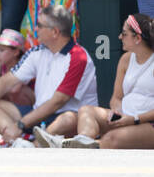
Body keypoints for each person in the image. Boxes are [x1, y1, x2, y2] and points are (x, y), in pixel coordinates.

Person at [0, 4, 97, 146]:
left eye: (40, 25)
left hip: (65, 117)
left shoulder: (78, 57)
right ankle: (20, 142)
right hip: (39, 115)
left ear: (55, 32)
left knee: (68, 119)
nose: (35, 29)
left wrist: (19, 125)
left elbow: (57, 102)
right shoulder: (36, 51)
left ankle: (31, 145)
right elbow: (5, 82)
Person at [53, 14, 154, 149]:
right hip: (126, 117)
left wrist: (135, 119)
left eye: (124, 34)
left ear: (137, 38)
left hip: (148, 122)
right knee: (86, 111)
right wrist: (118, 113)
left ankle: (69, 146)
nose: (120, 37)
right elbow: (116, 98)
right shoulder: (125, 59)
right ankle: (83, 139)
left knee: (112, 139)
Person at [0, 29, 36, 113]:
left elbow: (14, 90)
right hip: (10, 102)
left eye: (1, 50)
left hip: (27, 103)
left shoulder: (23, 66)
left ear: (16, 52)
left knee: (16, 91)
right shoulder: (2, 65)